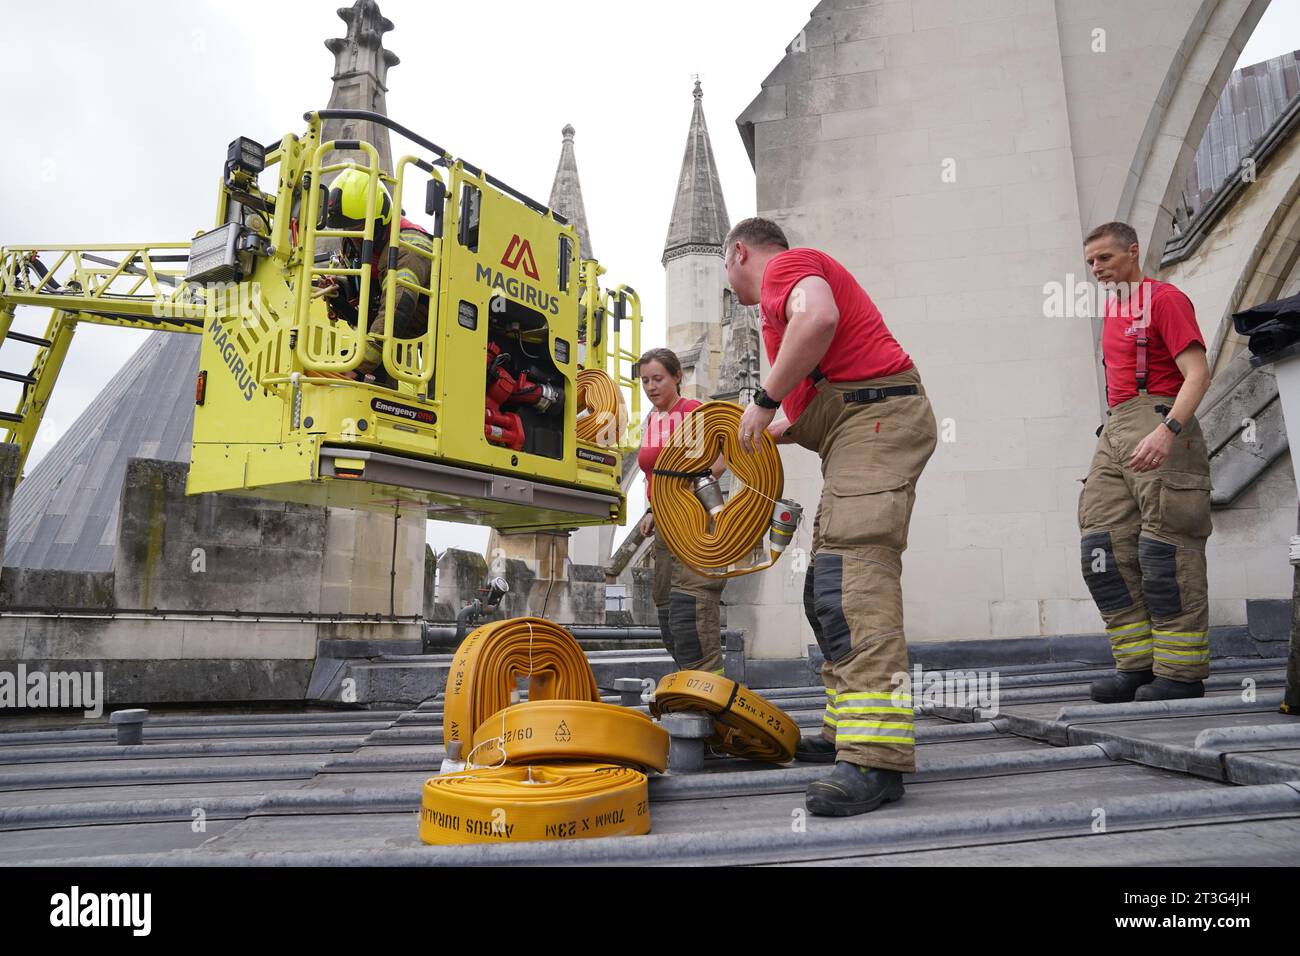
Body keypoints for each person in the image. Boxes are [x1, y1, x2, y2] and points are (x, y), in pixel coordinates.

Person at [731, 217, 936, 817]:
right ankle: (849, 728)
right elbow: (822, 396)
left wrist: (763, 400)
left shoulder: (785, 269)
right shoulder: (786, 287)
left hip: (875, 422)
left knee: (851, 580)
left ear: (738, 252)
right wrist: (773, 427)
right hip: (859, 424)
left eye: (728, 272)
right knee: (827, 587)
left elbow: (817, 319)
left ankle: (875, 757)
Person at [1079, 221, 1213, 703]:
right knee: (1103, 549)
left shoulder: (1165, 299)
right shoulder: (1115, 311)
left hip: (1160, 419)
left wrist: (1168, 430)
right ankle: (1136, 665)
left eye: (1105, 259)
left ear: (1132, 253)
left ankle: (1180, 672)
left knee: (1166, 550)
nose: (1097, 269)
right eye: (1091, 261)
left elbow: (1198, 372)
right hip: (1115, 429)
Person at [636, 347, 727, 674]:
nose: (650, 387)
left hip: (693, 520)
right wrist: (650, 510)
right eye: (645, 380)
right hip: (664, 524)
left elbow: (720, 458)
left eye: (658, 378)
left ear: (677, 377)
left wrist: (687, 491)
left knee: (690, 614)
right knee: (667, 615)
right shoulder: (652, 419)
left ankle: (710, 698)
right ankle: (690, 687)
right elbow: (654, 474)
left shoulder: (693, 411)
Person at [319, 167, 433, 385]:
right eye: (347, 230)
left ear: (380, 221)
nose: (354, 238)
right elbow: (365, 296)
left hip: (418, 339)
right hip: (388, 338)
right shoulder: (356, 241)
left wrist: (358, 365)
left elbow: (396, 309)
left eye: (359, 228)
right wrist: (339, 294)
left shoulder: (408, 248)